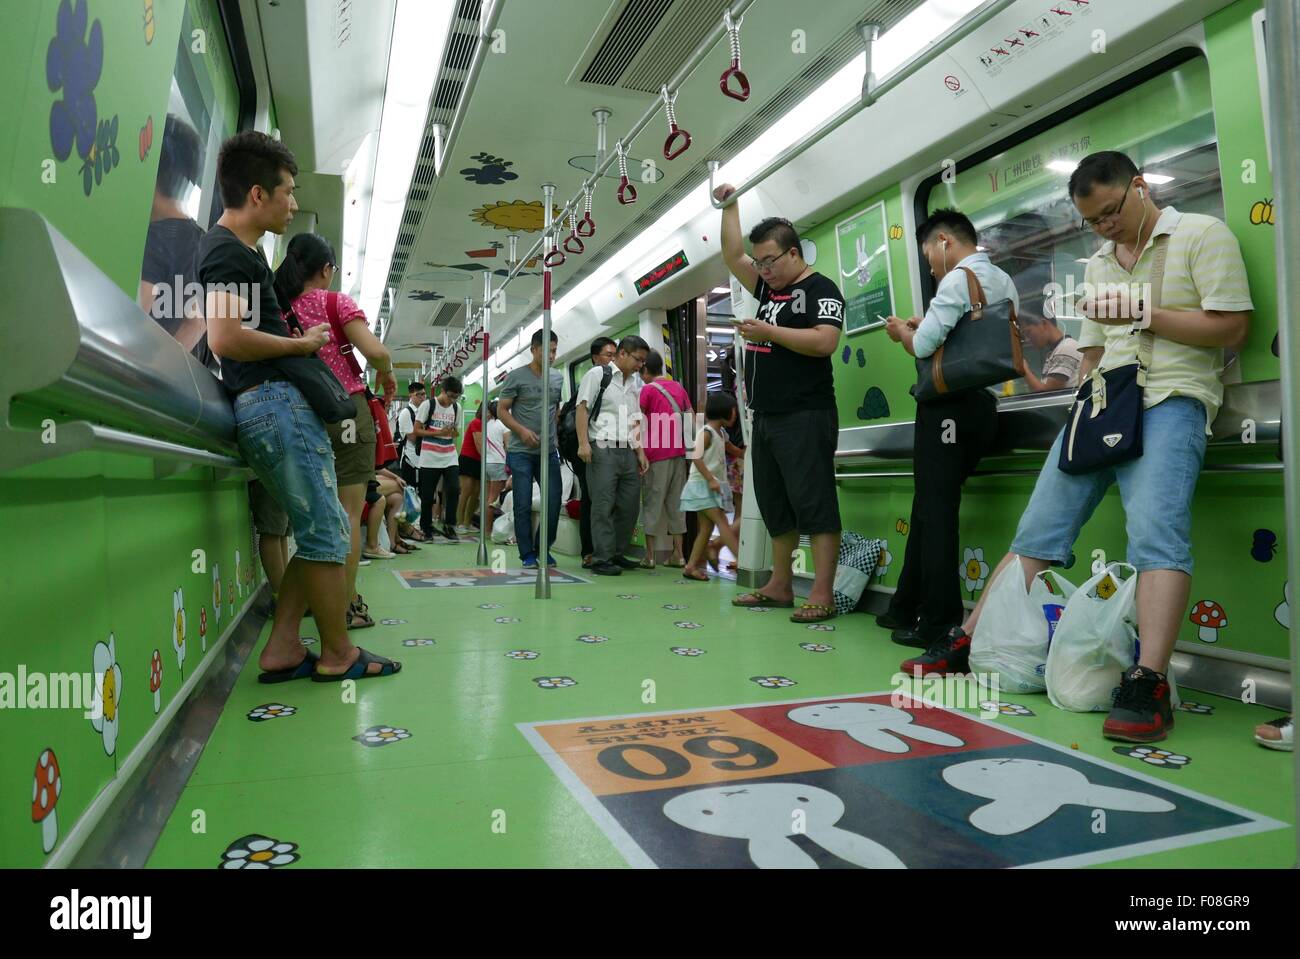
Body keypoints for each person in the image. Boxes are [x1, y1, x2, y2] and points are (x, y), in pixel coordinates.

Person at [915, 151, 1252, 744]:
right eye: (1092, 221)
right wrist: (1081, 394)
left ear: (1140, 189)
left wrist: (1144, 313)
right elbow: (1093, 352)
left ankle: (1147, 680)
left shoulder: (1202, 234)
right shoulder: (1099, 263)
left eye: (1110, 213)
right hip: (1102, 399)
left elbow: (1230, 328)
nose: (1104, 228)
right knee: (1037, 531)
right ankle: (970, 636)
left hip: (1172, 395)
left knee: (1155, 536)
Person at [200, 131, 399, 682]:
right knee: (328, 531)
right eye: (288, 192)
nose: (293, 203)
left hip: (272, 405)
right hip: (273, 403)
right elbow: (224, 338)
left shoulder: (239, 253)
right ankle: (338, 653)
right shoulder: (227, 253)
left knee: (319, 528)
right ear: (258, 194)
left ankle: (284, 646)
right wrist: (301, 345)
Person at [880, 209, 1015, 648]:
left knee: (936, 514)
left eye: (929, 256)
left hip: (947, 411)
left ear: (943, 241)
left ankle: (937, 622)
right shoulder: (1004, 280)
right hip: (982, 407)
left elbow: (922, 346)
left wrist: (903, 331)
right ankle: (904, 605)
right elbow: (971, 336)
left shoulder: (957, 280)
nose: (932, 266)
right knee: (928, 506)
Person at [714, 185, 845, 622]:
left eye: (770, 261)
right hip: (766, 416)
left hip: (806, 413)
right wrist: (729, 207)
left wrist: (769, 334)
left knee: (816, 504)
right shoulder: (769, 290)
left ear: (794, 253)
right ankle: (780, 584)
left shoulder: (820, 288)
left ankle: (822, 592)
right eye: (761, 262)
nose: (763, 270)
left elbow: (825, 341)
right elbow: (733, 256)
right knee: (775, 503)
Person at [274, 231, 397, 629]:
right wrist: (389, 374)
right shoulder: (334, 302)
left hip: (302, 414)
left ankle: (315, 602)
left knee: (316, 517)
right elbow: (375, 352)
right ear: (326, 270)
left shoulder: (279, 309)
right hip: (345, 411)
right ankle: (346, 605)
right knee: (347, 513)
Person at [139, 114, 219, 374]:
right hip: (186, 379)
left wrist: (149, 375)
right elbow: (199, 321)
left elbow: (132, 317)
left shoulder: (156, 237)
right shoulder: (205, 242)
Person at [577, 335, 650, 576]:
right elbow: (582, 408)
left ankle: (617, 552)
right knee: (603, 504)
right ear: (622, 354)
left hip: (627, 449)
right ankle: (601, 558)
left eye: (643, 361)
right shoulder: (598, 375)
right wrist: (583, 443)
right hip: (601, 447)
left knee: (629, 506)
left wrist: (640, 451)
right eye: (638, 360)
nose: (641, 365)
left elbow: (635, 420)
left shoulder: (634, 385)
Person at [498, 330, 565, 569]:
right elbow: (502, 410)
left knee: (554, 500)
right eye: (547, 350)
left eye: (554, 350)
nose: (551, 355)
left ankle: (543, 548)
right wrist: (522, 431)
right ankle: (527, 553)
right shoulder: (516, 377)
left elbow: (555, 409)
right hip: (520, 451)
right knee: (523, 503)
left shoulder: (557, 378)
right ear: (534, 349)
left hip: (548, 451)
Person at [637, 349, 691, 569]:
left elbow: (637, 422)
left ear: (646, 370)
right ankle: (679, 555)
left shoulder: (647, 390)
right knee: (677, 504)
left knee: (652, 502)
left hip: (655, 455)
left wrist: (639, 452)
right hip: (679, 454)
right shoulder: (678, 387)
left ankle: (649, 556)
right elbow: (690, 416)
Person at [681, 393, 741, 582]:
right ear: (724, 412)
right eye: (734, 411)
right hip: (703, 485)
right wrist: (711, 479)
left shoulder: (721, 434)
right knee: (722, 523)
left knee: (706, 528)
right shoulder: (706, 432)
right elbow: (695, 456)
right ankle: (745, 563)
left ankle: (691, 566)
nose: (735, 415)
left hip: (710, 486)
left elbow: (735, 451)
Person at [573, 337, 617, 567]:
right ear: (595, 357)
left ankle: (606, 550)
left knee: (602, 499)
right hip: (586, 447)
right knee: (591, 499)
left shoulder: (616, 381)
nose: (612, 359)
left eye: (615, 355)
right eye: (608, 355)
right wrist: (583, 444)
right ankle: (588, 552)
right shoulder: (594, 379)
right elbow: (581, 411)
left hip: (604, 448)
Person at [411, 376, 463, 543]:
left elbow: (457, 433)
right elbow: (417, 431)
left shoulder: (457, 407)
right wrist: (438, 433)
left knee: (454, 489)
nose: (452, 399)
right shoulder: (428, 405)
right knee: (427, 495)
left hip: (449, 455)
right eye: (450, 395)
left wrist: (451, 431)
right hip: (429, 456)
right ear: (442, 391)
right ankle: (426, 527)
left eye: (456, 396)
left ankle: (450, 525)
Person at [1020, 315, 1083, 392]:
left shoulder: (1065, 349)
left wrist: (1024, 369)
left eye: (1028, 332)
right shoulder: (1056, 351)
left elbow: (1046, 394)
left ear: (1044, 323)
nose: (1027, 339)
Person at [457, 403, 485, 534]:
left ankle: (468, 522)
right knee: (466, 491)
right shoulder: (477, 422)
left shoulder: (488, 425)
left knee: (476, 492)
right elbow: (479, 444)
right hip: (468, 458)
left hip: (479, 460)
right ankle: (459, 522)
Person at [395, 381, 426, 492]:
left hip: (425, 460)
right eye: (419, 395)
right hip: (411, 461)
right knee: (411, 496)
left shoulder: (425, 412)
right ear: (411, 396)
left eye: (424, 394)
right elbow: (413, 437)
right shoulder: (406, 413)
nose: (422, 397)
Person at [483, 399, 510, 524]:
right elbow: (508, 446)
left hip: (487, 463)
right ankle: (489, 530)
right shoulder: (503, 425)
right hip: (498, 463)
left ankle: (486, 529)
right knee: (494, 499)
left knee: (488, 497)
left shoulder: (487, 425)